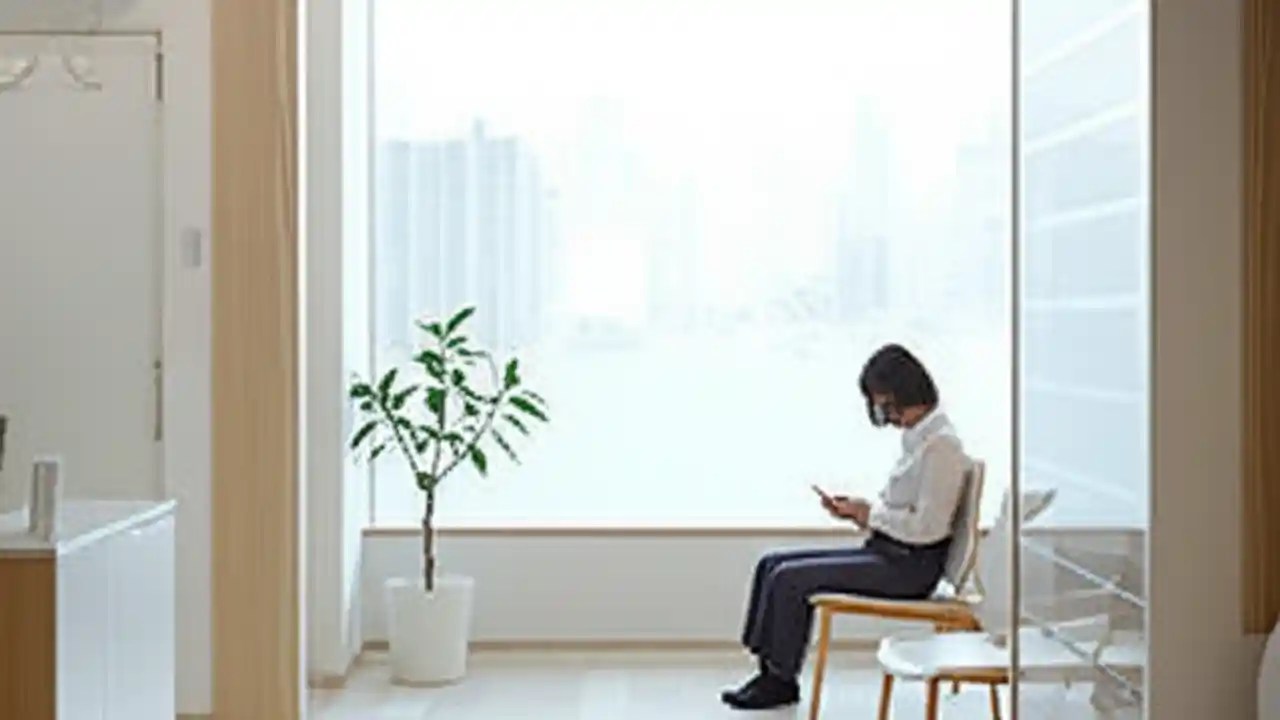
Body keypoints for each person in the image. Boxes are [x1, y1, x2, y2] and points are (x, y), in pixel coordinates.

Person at [721, 343, 969, 711]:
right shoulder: (920, 439)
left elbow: (928, 529)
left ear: (903, 392)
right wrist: (858, 512)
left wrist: (869, 515)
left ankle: (779, 680)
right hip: (891, 552)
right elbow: (903, 511)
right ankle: (769, 669)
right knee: (772, 564)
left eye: (884, 402)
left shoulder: (942, 447)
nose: (882, 413)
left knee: (791, 579)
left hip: (910, 568)